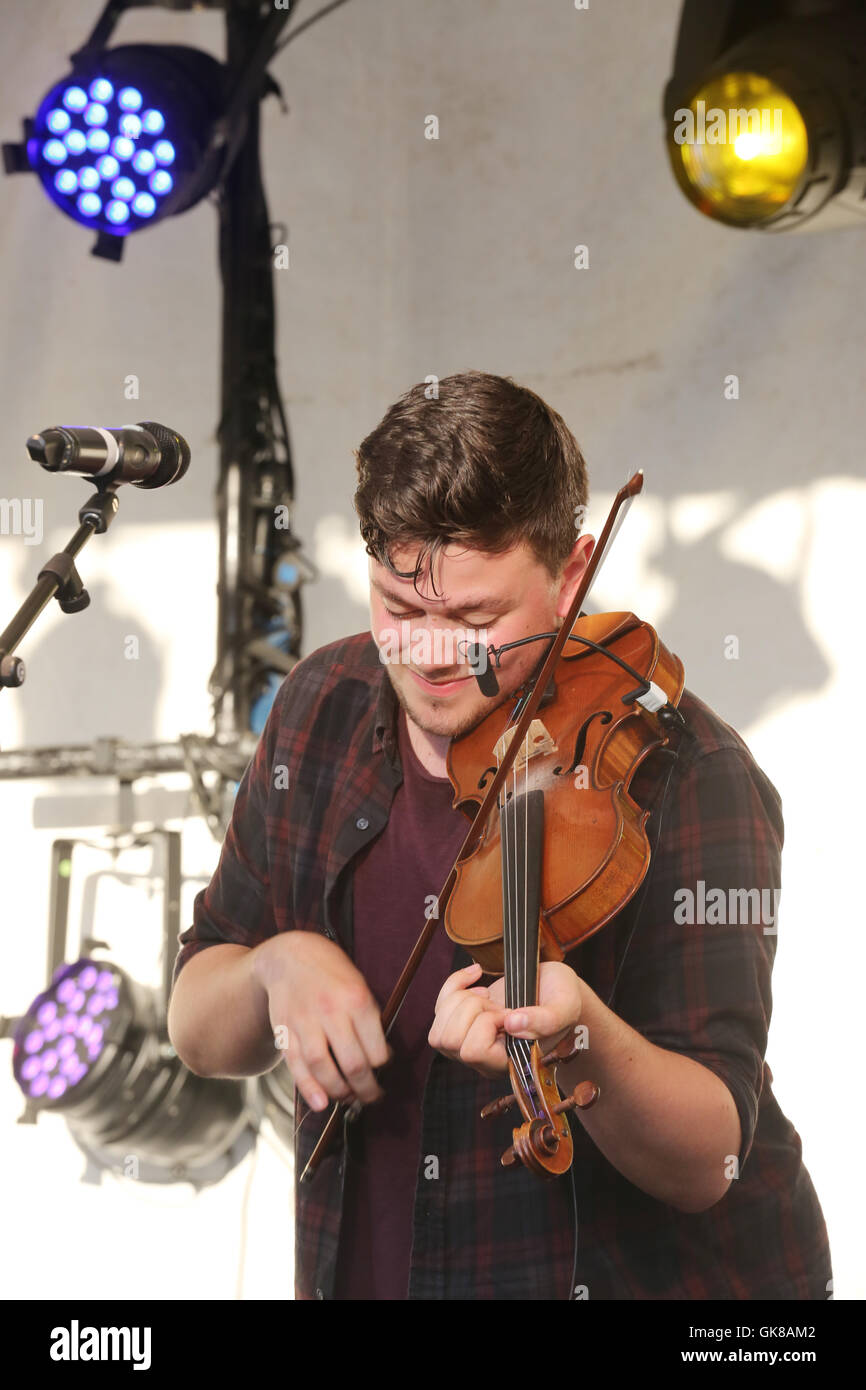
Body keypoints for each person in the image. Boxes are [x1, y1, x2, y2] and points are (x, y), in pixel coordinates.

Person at [168, 370, 832, 1301]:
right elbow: (198, 1027)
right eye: (400, 612)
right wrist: (275, 965)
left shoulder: (684, 771)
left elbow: (711, 1157)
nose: (432, 654)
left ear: (571, 576)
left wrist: (583, 1038)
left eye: (476, 619)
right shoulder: (320, 705)